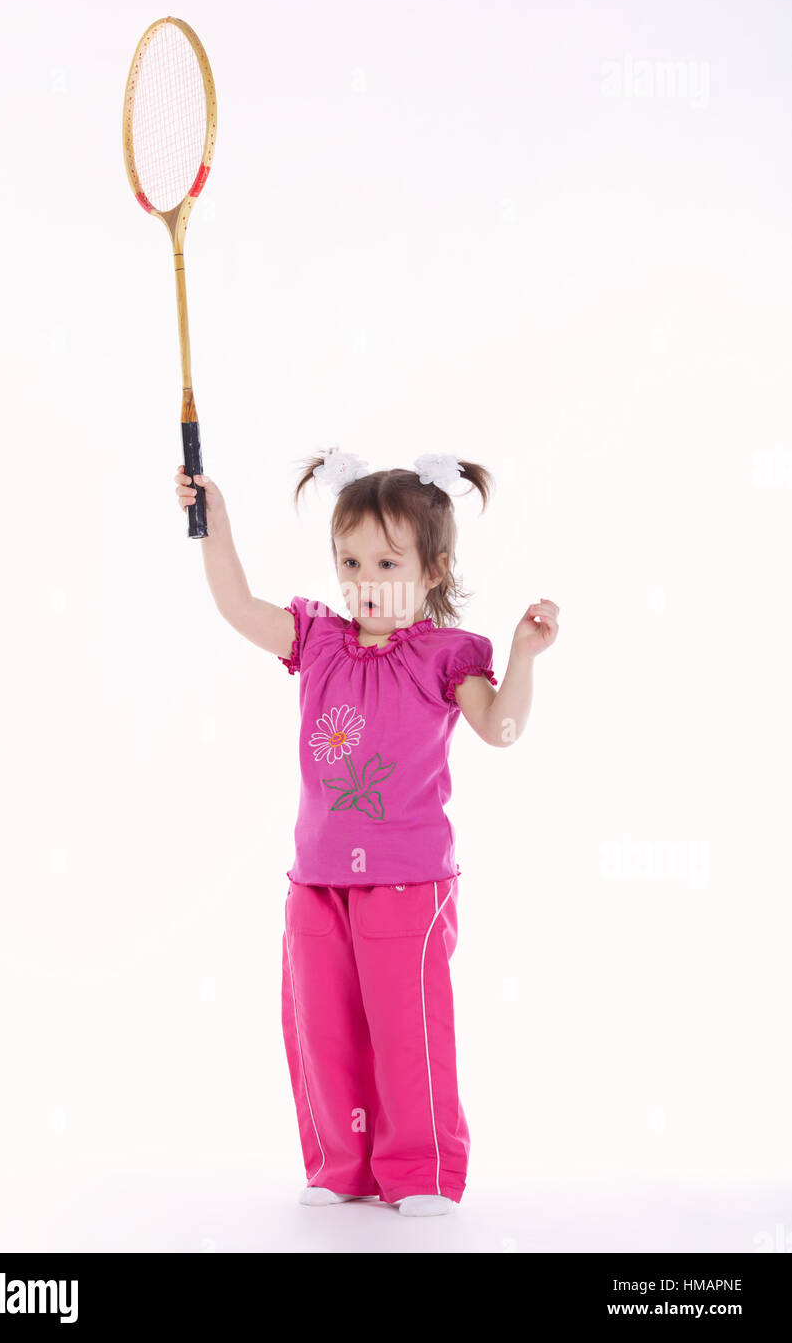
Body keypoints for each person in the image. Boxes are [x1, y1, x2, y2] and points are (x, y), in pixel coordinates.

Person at [174, 447, 559, 1216]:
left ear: (435, 568)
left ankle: (421, 1170)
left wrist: (520, 657)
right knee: (323, 1029)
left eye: (386, 563)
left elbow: (502, 729)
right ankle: (341, 1165)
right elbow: (237, 606)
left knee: (406, 1028)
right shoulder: (315, 641)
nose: (364, 582)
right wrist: (214, 527)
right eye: (349, 561)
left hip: (407, 883)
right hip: (316, 881)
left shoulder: (447, 656)